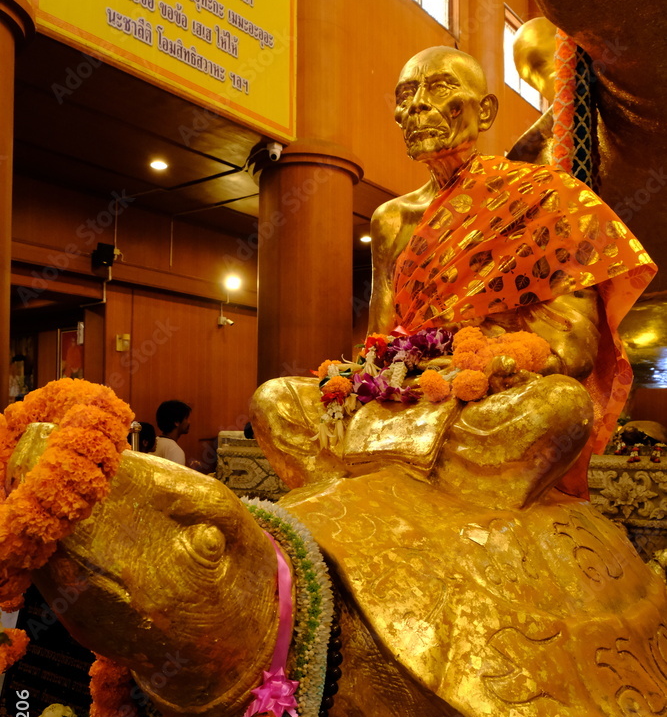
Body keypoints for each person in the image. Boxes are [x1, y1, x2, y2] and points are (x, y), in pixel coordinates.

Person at [250, 46, 656, 507]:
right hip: (404, 392)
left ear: (485, 112)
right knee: (276, 399)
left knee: (563, 406)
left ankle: (445, 507)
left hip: (487, 401)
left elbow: (575, 341)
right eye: (406, 95)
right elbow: (379, 341)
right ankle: (353, 502)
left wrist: (492, 364)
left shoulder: (544, 198)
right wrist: (372, 377)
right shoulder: (390, 220)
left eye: (439, 88)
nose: (417, 105)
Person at [153, 400, 191, 465]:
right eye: (186, 418)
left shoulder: (153, 443)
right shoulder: (175, 450)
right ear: (176, 422)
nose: (189, 422)